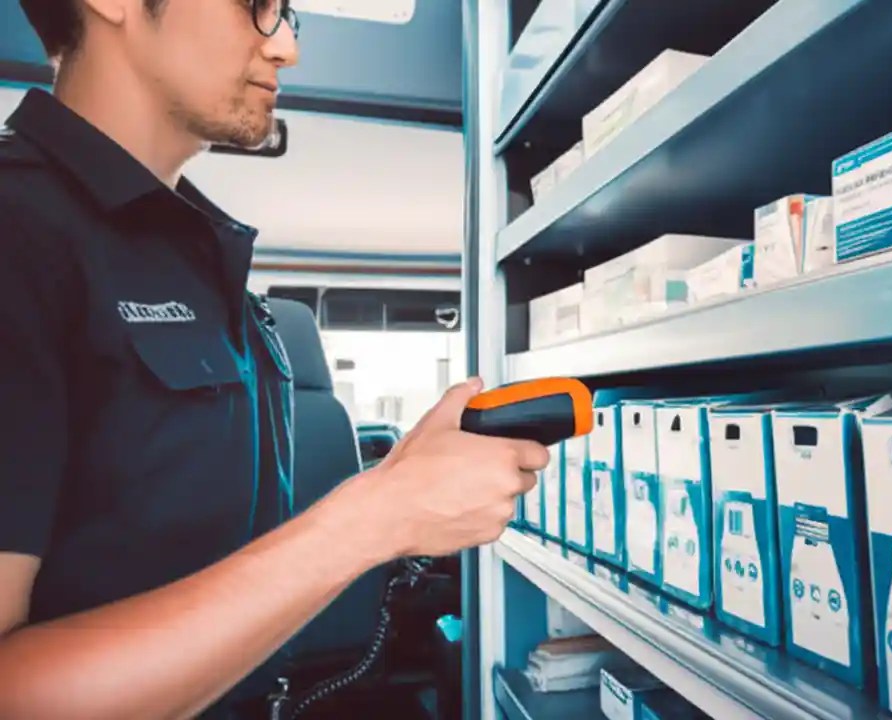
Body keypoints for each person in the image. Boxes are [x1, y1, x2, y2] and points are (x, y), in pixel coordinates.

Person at [0, 1, 547, 717]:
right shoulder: (18, 236)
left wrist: (401, 484)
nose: (287, 46)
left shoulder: (194, 259)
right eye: (258, 6)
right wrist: (377, 516)